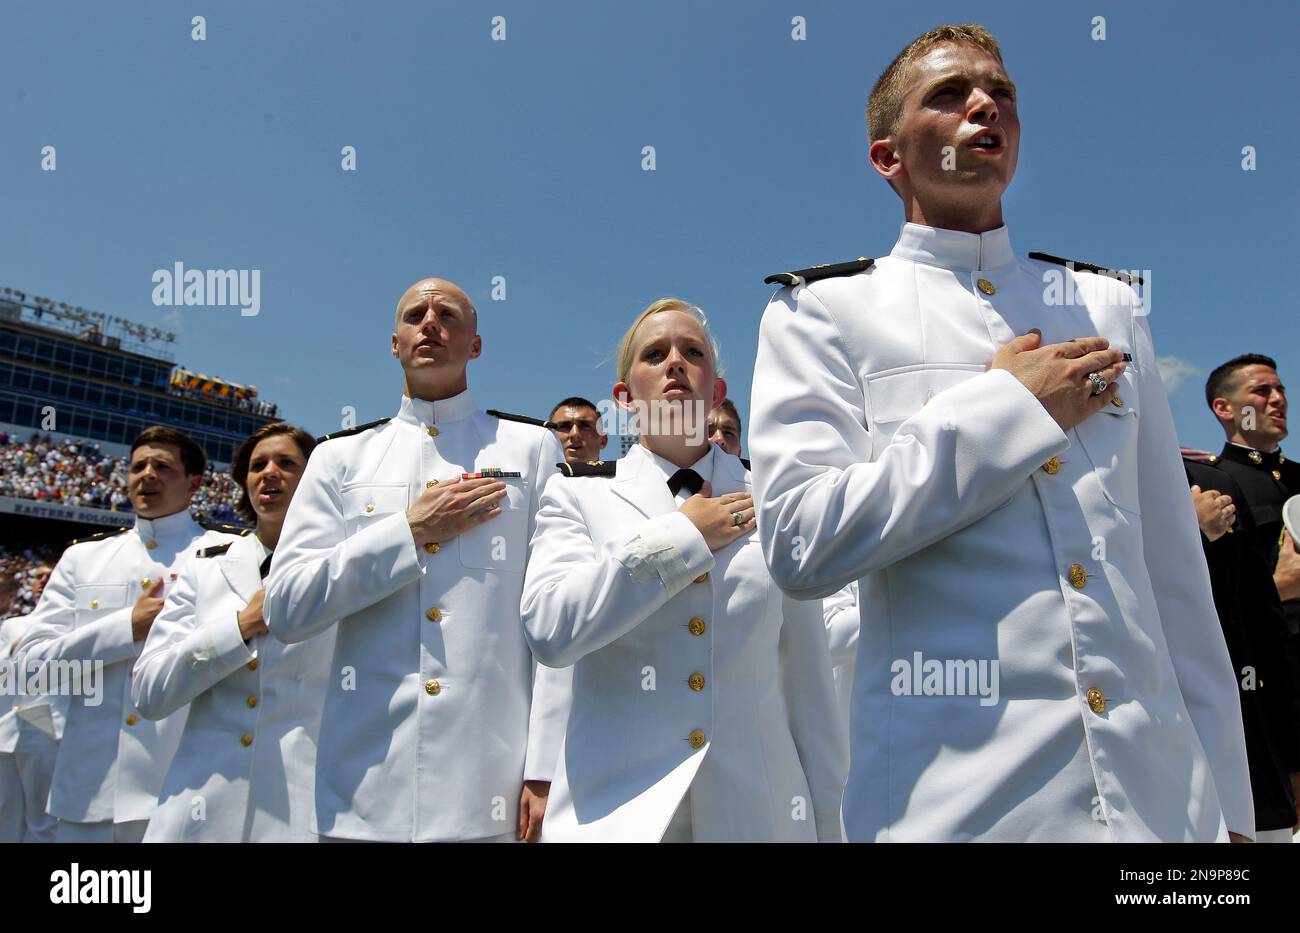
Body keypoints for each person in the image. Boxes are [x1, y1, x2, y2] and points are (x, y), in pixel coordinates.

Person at [748, 23, 1252, 841]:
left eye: (1002, 92)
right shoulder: (821, 314)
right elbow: (802, 545)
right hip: (960, 808)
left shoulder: (1106, 304)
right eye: (949, 95)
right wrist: (1010, 412)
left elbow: (1172, 576)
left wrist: (1229, 800)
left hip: (1162, 809)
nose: (986, 104)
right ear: (888, 156)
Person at [521, 298, 846, 842]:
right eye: (655, 353)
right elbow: (551, 630)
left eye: (692, 352)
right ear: (624, 398)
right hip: (616, 816)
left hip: (758, 815)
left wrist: (830, 822)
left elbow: (808, 680)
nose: (675, 361)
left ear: (716, 390)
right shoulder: (577, 493)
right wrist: (684, 535)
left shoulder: (774, 496)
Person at [266, 277, 571, 842]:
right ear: (394, 341)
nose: (430, 323)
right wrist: (408, 532)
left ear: (475, 345)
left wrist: (547, 764)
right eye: (415, 315)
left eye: (448, 314)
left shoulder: (530, 448)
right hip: (361, 790)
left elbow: (552, 613)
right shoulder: (339, 458)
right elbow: (287, 607)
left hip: (490, 788)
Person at [14, 426, 241, 842]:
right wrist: (125, 628)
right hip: (91, 792)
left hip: (186, 784)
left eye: (163, 467)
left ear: (194, 484)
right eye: (138, 467)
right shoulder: (83, 559)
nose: (147, 475)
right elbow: (30, 671)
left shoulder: (227, 554)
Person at [133, 422, 334, 842]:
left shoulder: (342, 569)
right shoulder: (205, 567)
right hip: (196, 808)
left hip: (300, 811)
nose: (269, 472)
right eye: (258, 464)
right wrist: (239, 627)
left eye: (287, 463)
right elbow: (150, 693)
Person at [1184, 453, 1300, 842]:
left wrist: (1293, 757)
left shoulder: (1215, 483)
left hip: (1238, 730)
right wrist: (1193, 533)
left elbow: (1261, 623)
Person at [1205, 355, 1300, 666]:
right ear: (1224, 408)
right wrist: (1277, 588)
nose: (1278, 400)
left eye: (1280, 389)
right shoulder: (1209, 487)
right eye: (1262, 391)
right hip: (1263, 663)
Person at [550, 397, 608, 465]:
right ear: (548, 438)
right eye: (564, 426)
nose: (574, 434)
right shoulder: (536, 475)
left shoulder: (621, 475)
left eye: (585, 426)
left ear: (603, 440)